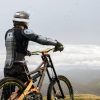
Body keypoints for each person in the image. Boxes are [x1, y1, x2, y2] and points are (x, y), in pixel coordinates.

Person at [3, 11, 64, 99]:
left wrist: (25, 51)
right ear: (24, 21)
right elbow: (39, 38)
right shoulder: (24, 31)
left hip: (7, 67)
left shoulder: (8, 32)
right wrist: (56, 43)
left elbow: (15, 46)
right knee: (30, 92)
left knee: (7, 95)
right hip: (19, 66)